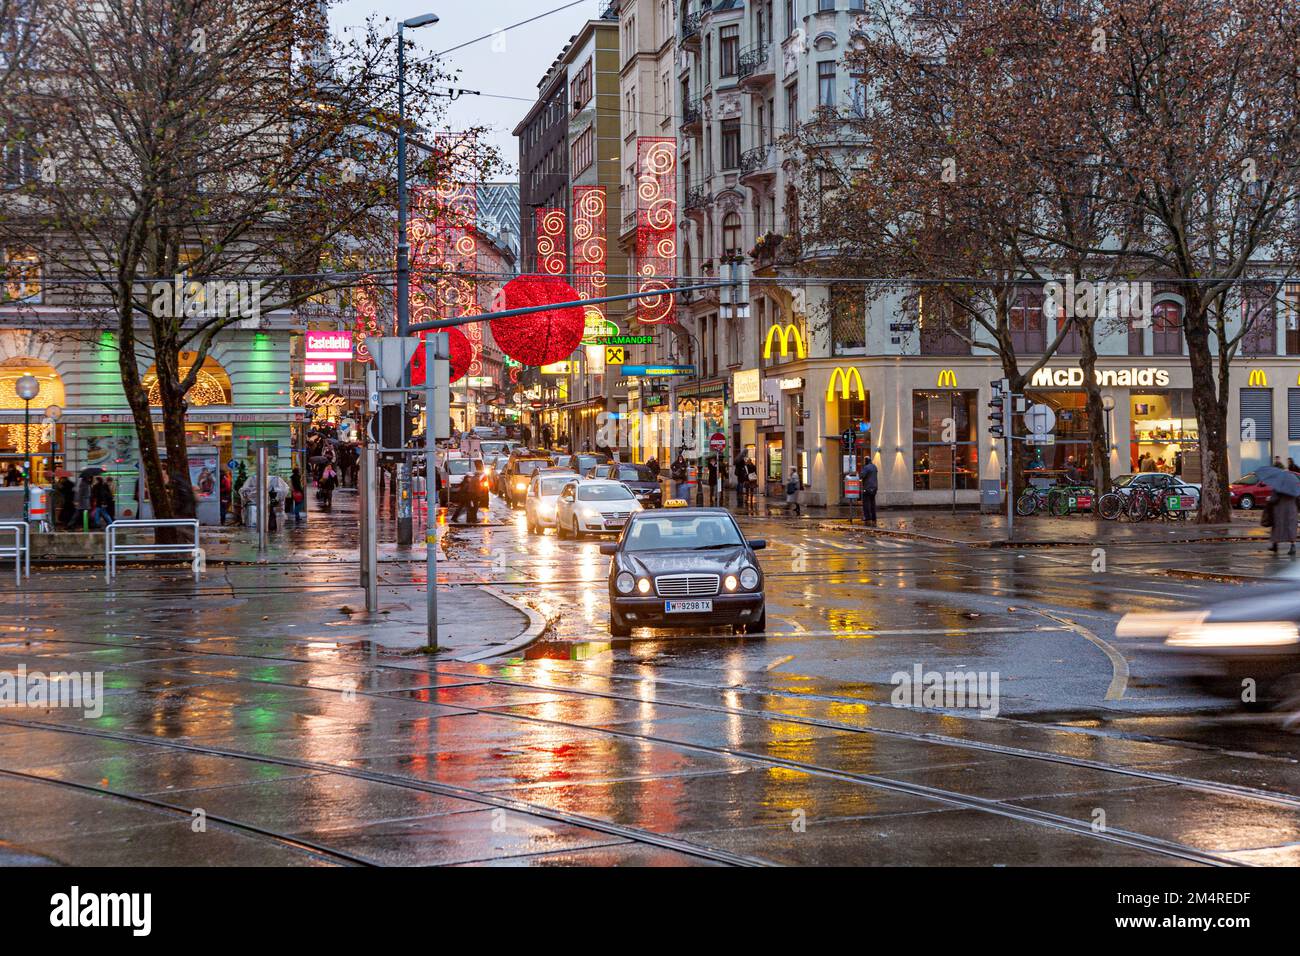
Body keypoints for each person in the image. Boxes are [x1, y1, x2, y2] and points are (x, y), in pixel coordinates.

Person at [1268, 488, 1298, 556]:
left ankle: (1275, 545)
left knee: (1277, 527)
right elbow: (1298, 499)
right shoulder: (1294, 487)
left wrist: (1269, 499)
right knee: (1291, 528)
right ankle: (1293, 546)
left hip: (1280, 509)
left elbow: (1274, 499)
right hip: (1291, 510)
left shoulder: (1278, 487)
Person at [859, 455, 879, 524]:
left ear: (866, 461)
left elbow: (861, 476)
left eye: (865, 460)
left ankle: (867, 517)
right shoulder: (874, 467)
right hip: (874, 488)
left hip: (867, 488)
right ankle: (874, 517)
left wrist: (859, 475)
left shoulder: (866, 467)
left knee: (866, 503)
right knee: (872, 503)